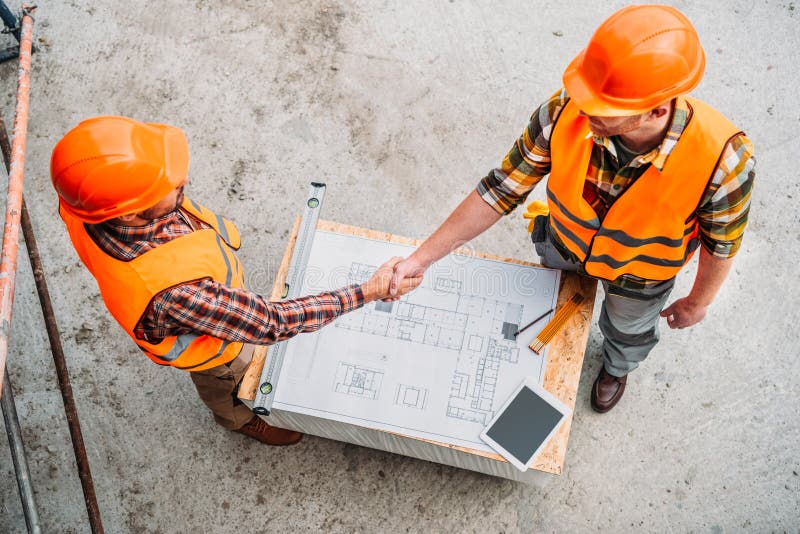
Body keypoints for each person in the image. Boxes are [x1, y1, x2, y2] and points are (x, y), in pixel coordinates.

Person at [388, 5, 755, 413]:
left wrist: (697, 302)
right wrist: (421, 259)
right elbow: (500, 189)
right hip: (564, 245)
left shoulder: (723, 160)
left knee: (627, 330)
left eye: (602, 106)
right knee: (546, 310)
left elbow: (722, 246)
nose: (583, 110)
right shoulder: (566, 110)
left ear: (656, 109)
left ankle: (616, 367)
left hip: (640, 276)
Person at [50, 116, 421, 445]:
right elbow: (272, 322)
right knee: (224, 385)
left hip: (193, 284)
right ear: (129, 215)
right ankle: (238, 420)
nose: (183, 182)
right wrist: (367, 291)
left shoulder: (86, 204)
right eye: (167, 186)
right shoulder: (173, 291)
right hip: (216, 351)